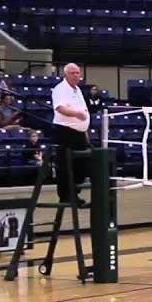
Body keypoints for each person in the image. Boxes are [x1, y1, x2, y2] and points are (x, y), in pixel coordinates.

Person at [51, 63, 91, 205]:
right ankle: (66, 195)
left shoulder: (77, 90)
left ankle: (75, 192)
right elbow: (60, 108)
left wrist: (84, 130)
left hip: (79, 134)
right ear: (66, 74)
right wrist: (77, 114)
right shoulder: (61, 89)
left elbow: (83, 111)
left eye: (77, 73)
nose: (76, 75)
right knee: (66, 165)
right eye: (72, 73)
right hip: (65, 132)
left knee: (82, 164)